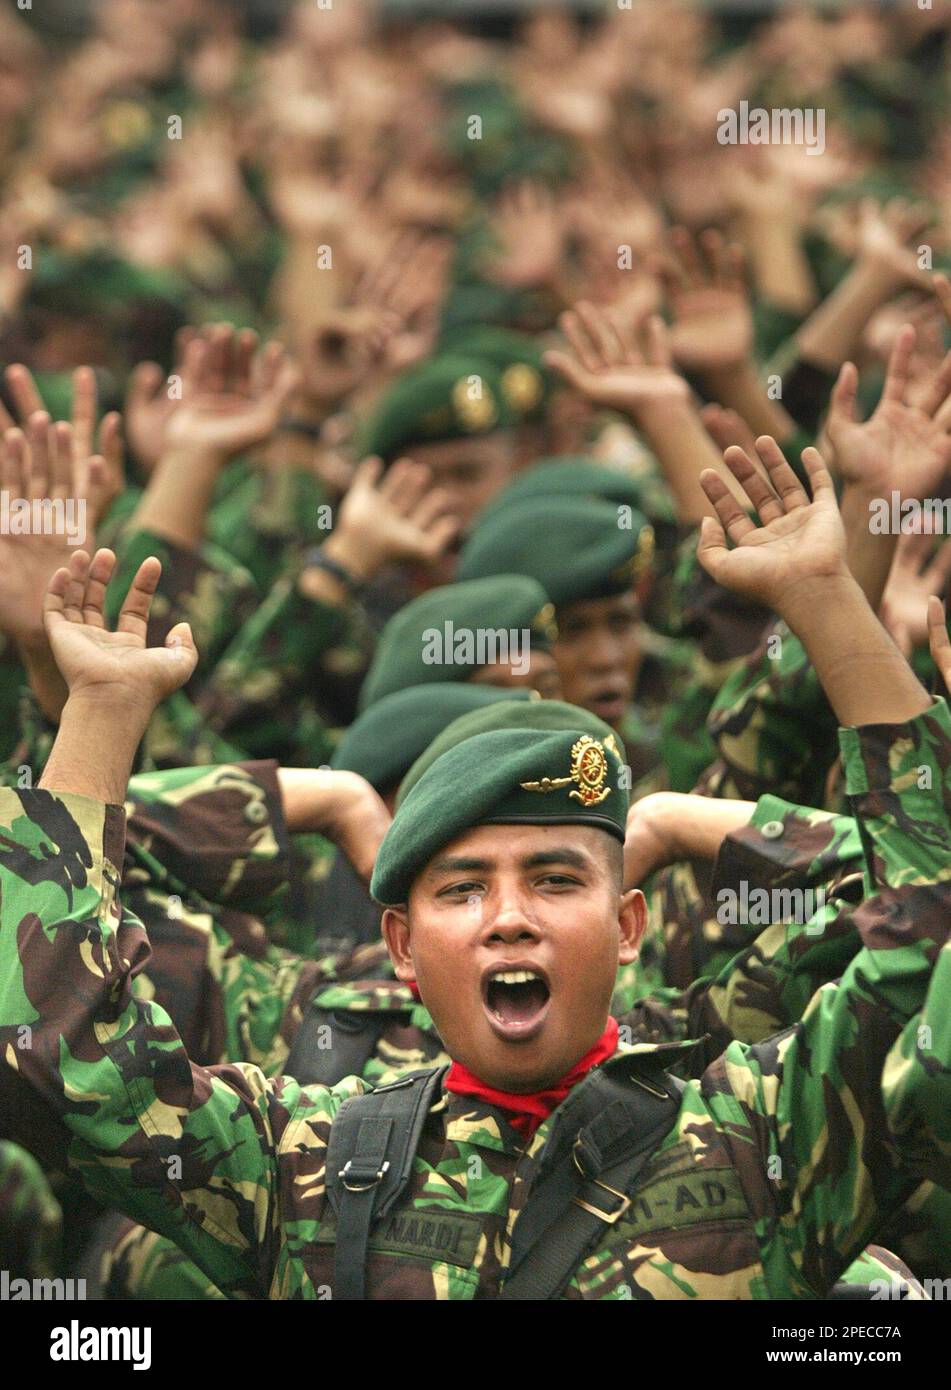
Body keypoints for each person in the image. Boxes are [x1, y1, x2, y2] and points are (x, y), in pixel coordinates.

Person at [2, 432, 950, 1299]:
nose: (509, 917)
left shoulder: (767, 1136)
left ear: (630, 928)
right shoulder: (304, 1164)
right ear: (403, 947)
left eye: (554, 879)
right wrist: (99, 711)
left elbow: (919, 928)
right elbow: (74, 1050)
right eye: (462, 889)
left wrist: (826, 598)